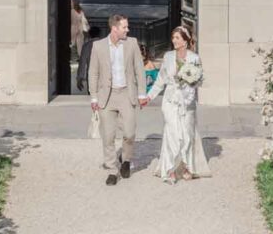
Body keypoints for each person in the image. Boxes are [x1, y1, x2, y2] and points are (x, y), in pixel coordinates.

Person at [143, 25, 211, 184]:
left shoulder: (194, 58)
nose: (174, 40)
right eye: (173, 37)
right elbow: (160, 81)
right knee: (172, 133)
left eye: (177, 38)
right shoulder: (168, 57)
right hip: (170, 100)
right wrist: (149, 97)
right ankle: (170, 169)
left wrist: (191, 86)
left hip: (187, 102)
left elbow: (199, 81)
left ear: (185, 41)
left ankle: (188, 166)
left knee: (187, 134)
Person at [88, 14, 147, 186]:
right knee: (108, 136)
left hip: (127, 94)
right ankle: (112, 170)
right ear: (114, 28)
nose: (128, 30)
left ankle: (126, 159)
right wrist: (93, 97)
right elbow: (93, 72)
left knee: (129, 133)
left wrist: (142, 94)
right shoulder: (98, 46)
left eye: (127, 27)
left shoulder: (132, 43)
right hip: (106, 96)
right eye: (124, 27)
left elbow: (139, 69)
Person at [76, 25, 101, 93]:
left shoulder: (86, 46)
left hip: (91, 75)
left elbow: (82, 63)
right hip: (104, 75)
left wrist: (79, 78)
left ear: (90, 35)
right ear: (99, 34)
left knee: (92, 96)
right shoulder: (105, 45)